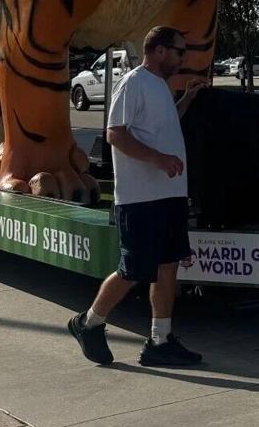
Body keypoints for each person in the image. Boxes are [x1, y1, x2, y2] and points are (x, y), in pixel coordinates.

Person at [68, 26, 206, 367]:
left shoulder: (160, 86)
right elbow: (115, 134)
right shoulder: (133, 83)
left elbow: (163, 125)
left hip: (170, 194)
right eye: (178, 51)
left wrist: (186, 99)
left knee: (167, 266)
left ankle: (160, 340)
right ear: (158, 50)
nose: (182, 58)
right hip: (140, 198)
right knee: (134, 270)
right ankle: (89, 322)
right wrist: (159, 159)